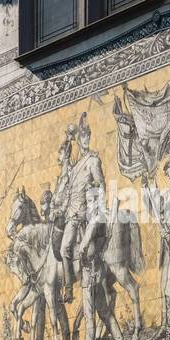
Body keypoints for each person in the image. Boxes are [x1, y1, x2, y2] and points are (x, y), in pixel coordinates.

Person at [59, 115, 104, 303]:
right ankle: (69, 287)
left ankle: (91, 276)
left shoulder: (93, 160)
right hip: (72, 215)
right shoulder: (76, 165)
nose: (86, 140)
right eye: (83, 137)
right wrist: (67, 141)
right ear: (79, 140)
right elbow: (65, 174)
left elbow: (101, 184)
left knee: (85, 250)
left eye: (88, 137)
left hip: (85, 212)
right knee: (63, 249)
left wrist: (97, 204)